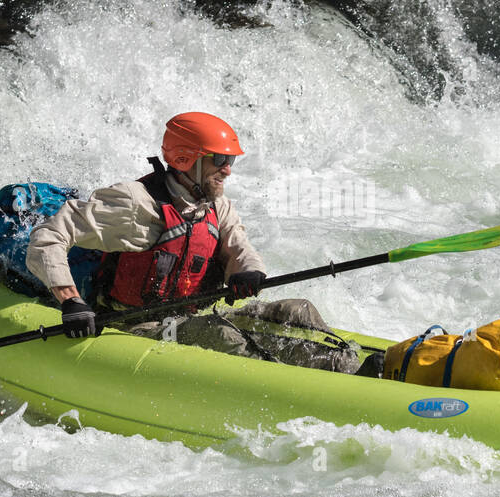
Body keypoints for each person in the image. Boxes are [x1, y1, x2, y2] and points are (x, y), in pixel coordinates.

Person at [25, 112, 358, 372]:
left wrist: (248, 272)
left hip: (193, 316)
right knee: (217, 333)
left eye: (232, 161)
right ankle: (300, 386)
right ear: (187, 159)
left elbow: (239, 249)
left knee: (298, 311)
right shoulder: (135, 204)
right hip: (134, 327)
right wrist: (70, 301)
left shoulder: (215, 205)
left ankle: (348, 369)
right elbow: (48, 237)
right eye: (220, 160)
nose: (228, 171)